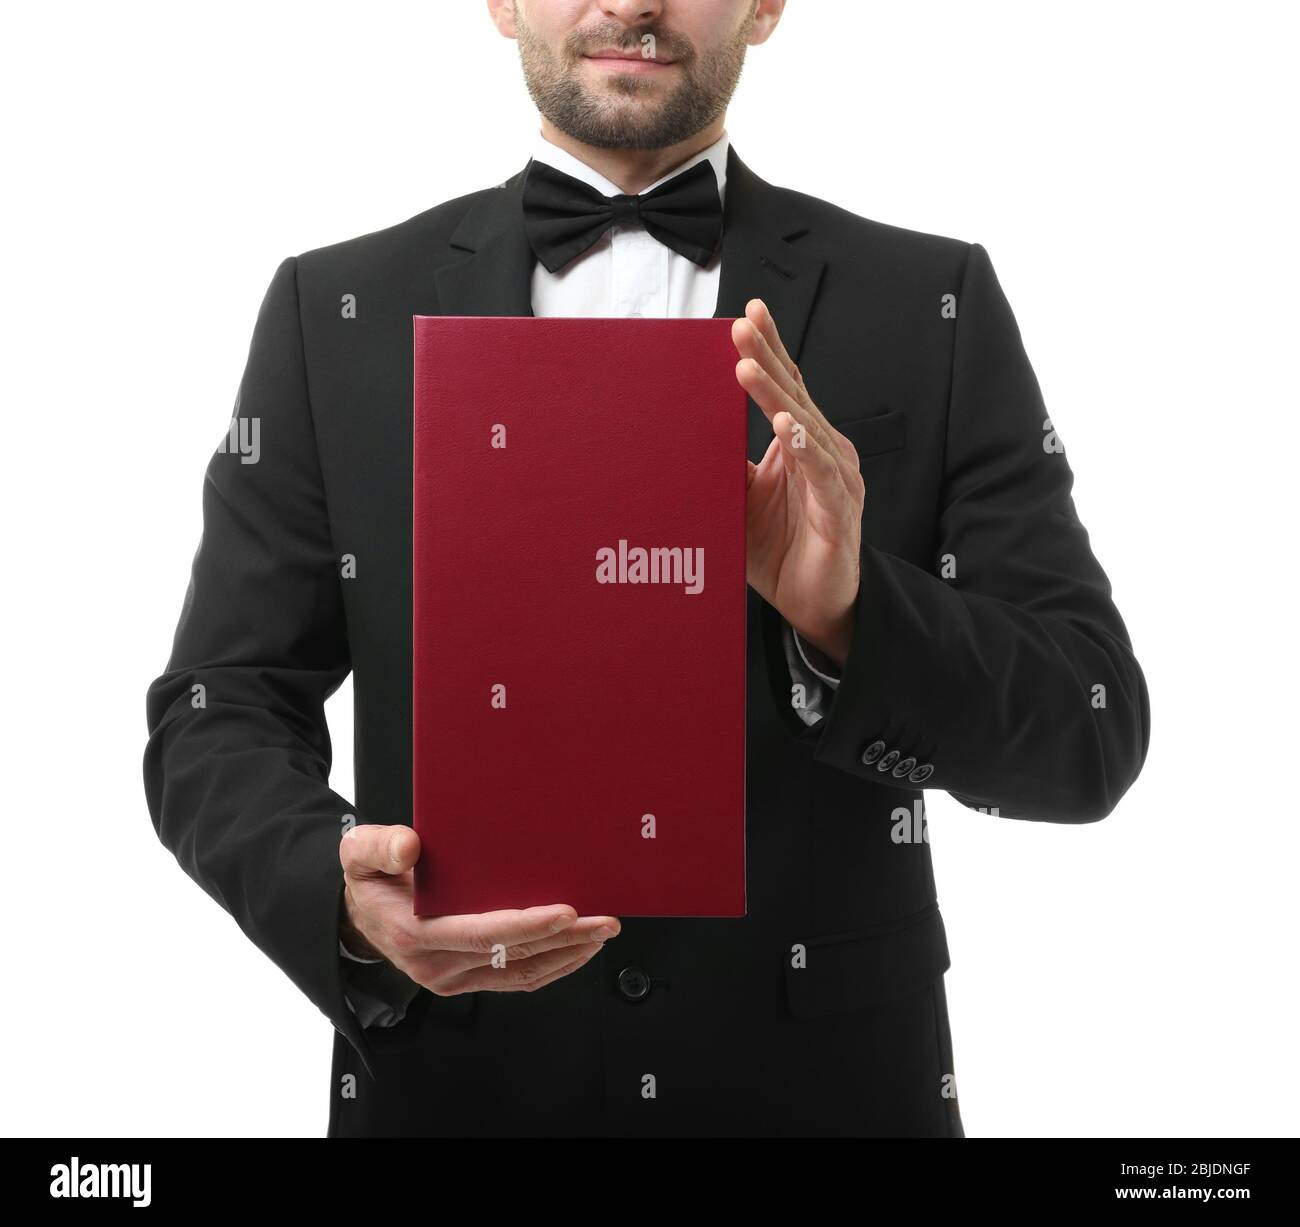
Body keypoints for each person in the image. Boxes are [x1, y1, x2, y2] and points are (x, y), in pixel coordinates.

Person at [143, 0, 1150, 1138]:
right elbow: (214, 710)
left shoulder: (933, 302)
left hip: (827, 1097)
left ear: (766, 7)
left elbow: (1089, 731)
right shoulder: (332, 311)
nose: (630, 3)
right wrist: (332, 889)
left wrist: (849, 609)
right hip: (457, 1095)